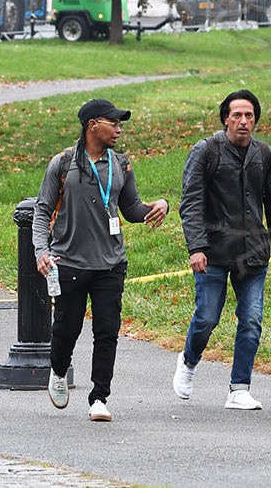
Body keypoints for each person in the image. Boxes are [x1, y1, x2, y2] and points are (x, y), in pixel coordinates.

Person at [32, 98, 170, 422]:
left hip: (110, 263)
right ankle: (58, 369)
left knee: (107, 330)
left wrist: (158, 205)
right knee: (67, 328)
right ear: (93, 125)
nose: (119, 130)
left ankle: (99, 397)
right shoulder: (63, 163)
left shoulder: (121, 165)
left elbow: (133, 209)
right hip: (69, 261)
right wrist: (41, 251)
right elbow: (41, 211)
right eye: (114, 123)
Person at [175, 89, 271, 410]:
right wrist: (196, 247)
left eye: (249, 115)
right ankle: (189, 360)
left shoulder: (265, 155)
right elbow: (191, 203)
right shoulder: (206, 151)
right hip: (212, 252)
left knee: (251, 319)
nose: (243, 121)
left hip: (253, 254)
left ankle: (239, 388)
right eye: (237, 115)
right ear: (225, 118)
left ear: (256, 120)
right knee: (207, 318)